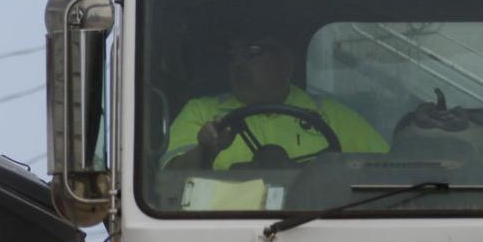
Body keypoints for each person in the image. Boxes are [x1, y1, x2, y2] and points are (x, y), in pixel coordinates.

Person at [163, 33, 389, 169]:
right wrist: (206, 151)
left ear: (286, 62)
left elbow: (386, 168)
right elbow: (169, 182)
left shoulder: (330, 114)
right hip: (218, 228)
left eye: (253, 52)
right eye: (233, 55)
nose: (238, 63)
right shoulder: (201, 112)